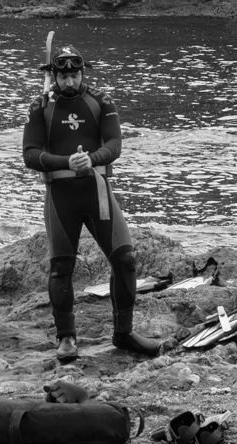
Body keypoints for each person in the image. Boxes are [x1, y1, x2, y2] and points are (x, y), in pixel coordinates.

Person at [22, 45, 163, 362]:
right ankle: (66, 338)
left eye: (74, 75)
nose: (69, 82)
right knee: (62, 268)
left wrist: (92, 159)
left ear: (82, 73)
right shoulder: (40, 106)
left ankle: (123, 333)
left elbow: (115, 144)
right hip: (61, 196)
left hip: (97, 191)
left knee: (125, 259)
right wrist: (65, 161)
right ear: (54, 75)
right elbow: (29, 154)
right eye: (63, 76)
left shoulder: (101, 101)